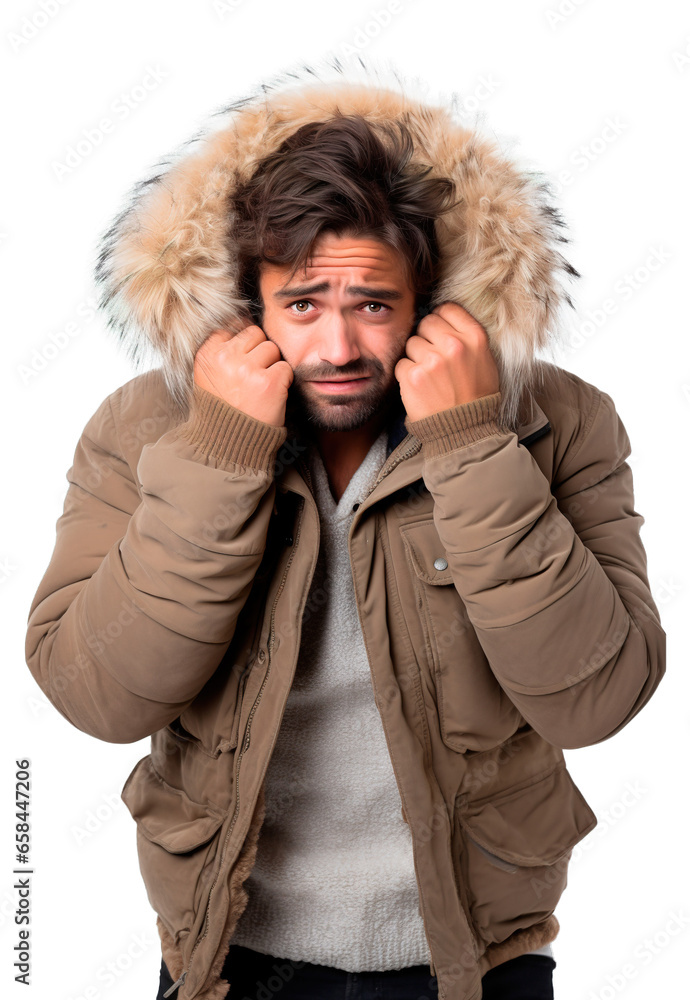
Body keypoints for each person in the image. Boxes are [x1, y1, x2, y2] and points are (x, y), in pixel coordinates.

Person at [25, 58, 666, 1000]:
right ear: (248, 306)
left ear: (436, 304)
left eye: (372, 303)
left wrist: (470, 441)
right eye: (301, 305)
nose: (336, 348)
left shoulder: (557, 424)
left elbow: (600, 697)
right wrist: (222, 451)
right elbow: (97, 695)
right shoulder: (147, 428)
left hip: (477, 962)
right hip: (223, 957)